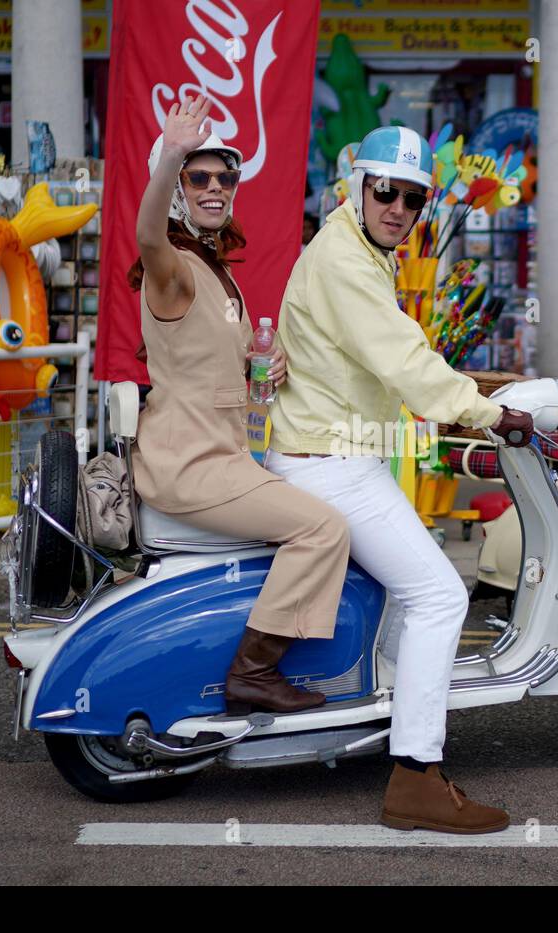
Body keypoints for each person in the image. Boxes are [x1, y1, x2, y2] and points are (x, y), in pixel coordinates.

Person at [266, 125, 535, 835]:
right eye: (386, 191)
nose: (398, 207)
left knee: (405, 597)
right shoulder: (348, 263)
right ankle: (416, 774)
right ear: (358, 186)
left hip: (343, 453)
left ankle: (387, 722)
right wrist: (488, 413)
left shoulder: (360, 248)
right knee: (442, 594)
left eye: (413, 198)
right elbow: (405, 360)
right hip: (331, 464)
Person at [130, 95, 351, 715]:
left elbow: (227, 366)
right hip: (193, 462)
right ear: (175, 187)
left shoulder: (215, 270)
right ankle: (254, 672)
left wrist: (269, 363)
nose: (216, 187)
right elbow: (147, 235)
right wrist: (170, 153)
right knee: (323, 528)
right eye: (198, 176)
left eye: (226, 177)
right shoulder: (171, 266)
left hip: (221, 452)